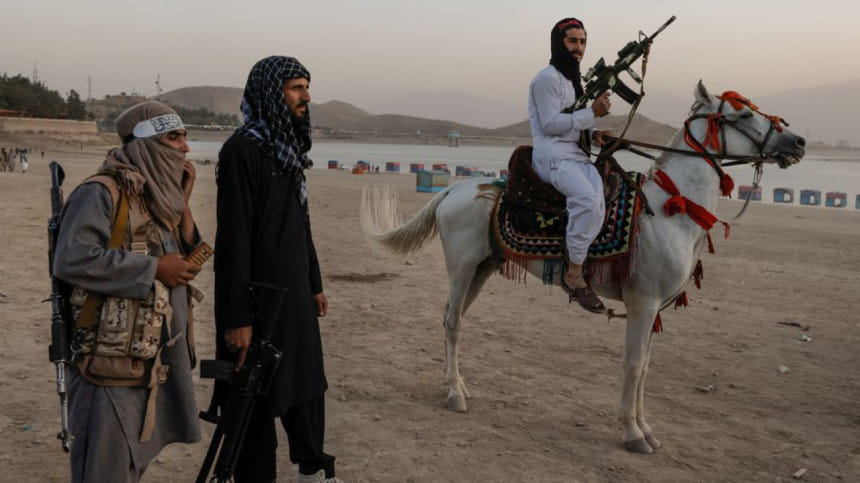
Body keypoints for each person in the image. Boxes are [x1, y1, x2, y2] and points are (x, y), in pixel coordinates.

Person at [53, 101, 203, 482]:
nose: (185, 147)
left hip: (145, 362)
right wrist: (154, 269)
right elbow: (71, 258)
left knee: (129, 466)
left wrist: (183, 207)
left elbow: (183, 265)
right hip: (106, 366)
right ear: (147, 144)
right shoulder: (101, 193)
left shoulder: (152, 198)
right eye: (173, 137)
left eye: (184, 136)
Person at [213, 56, 340, 483]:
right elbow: (234, 240)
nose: (306, 97)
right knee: (252, 401)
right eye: (296, 88)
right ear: (271, 93)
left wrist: (314, 284)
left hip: (295, 297)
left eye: (306, 87)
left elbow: (300, 224)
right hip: (256, 302)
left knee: (307, 384)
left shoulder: (288, 150)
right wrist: (237, 319)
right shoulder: (242, 150)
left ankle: (312, 469)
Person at [528, 16, 612, 314]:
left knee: (601, 201)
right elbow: (550, 124)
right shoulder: (546, 79)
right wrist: (591, 114)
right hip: (552, 157)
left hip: (576, 155)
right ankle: (574, 273)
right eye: (572, 41)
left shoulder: (574, 80)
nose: (579, 48)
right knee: (587, 201)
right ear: (559, 43)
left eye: (583, 42)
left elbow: (573, 123)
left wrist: (595, 134)